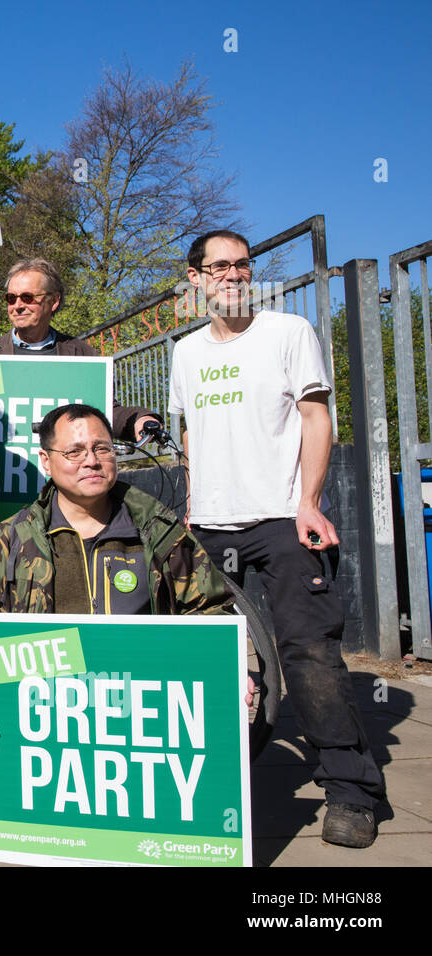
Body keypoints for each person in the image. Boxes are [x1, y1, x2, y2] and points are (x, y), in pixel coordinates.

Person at [168, 228, 386, 848]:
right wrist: (191, 505)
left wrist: (309, 503)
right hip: (211, 525)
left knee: (310, 654)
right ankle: (209, 778)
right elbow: (192, 437)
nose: (233, 276)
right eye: (220, 267)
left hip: (284, 522)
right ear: (197, 278)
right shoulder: (186, 353)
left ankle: (352, 790)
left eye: (243, 266)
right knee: (205, 659)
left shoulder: (289, 334)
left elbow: (317, 417)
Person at [0, 403, 234, 748]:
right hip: (48, 732)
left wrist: (229, 672)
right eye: (74, 451)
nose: (91, 461)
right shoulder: (13, 540)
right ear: (46, 460)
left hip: (147, 723)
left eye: (102, 448)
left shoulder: (160, 533)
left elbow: (210, 611)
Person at [0, 258, 160, 442]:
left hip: (62, 474)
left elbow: (105, 411)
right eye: (11, 298)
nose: (17, 306)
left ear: (54, 301)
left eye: (27, 297)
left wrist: (140, 420)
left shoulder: (81, 354)